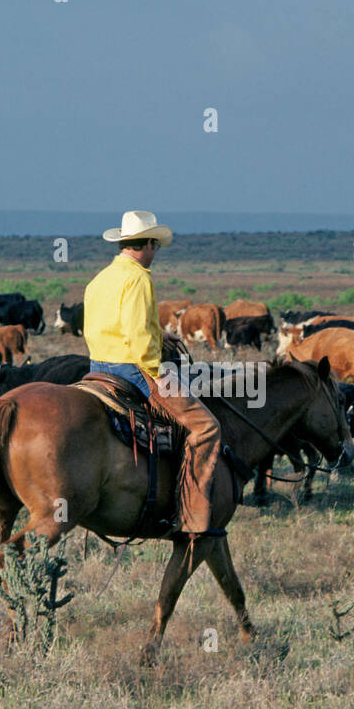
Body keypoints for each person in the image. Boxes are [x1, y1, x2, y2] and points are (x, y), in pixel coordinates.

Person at [82, 211, 224, 538]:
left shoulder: (100, 279)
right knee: (206, 427)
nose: (156, 252)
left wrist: (162, 335)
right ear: (146, 244)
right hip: (134, 369)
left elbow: (110, 327)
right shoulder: (139, 278)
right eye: (155, 246)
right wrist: (159, 372)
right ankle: (192, 518)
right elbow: (135, 336)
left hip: (98, 367)